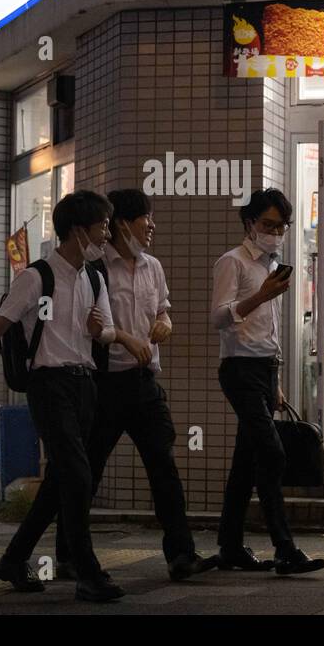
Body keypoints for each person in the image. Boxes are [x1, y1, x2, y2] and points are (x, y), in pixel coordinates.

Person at [0, 190, 124, 602]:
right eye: (103, 226)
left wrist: (98, 332)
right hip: (48, 386)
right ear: (77, 229)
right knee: (77, 474)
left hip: (85, 385)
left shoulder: (94, 276)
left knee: (60, 481)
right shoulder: (37, 277)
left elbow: (106, 330)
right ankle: (88, 571)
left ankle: (14, 559)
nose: (107, 234)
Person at [52, 189, 219, 582]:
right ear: (123, 224)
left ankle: (181, 554)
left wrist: (166, 325)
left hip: (145, 385)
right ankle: (69, 555)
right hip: (104, 385)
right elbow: (87, 325)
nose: (153, 226)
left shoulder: (153, 267)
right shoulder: (95, 269)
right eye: (146, 218)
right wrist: (124, 337)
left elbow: (163, 311)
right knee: (86, 473)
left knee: (164, 468)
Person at [210, 189, 324, 576]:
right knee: (272, 454)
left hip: (263, 369)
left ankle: (230, 546)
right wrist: (260, 295)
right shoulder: (234, 263)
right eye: (268, 225)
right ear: (250, 224)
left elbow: (269, 331)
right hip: (239, 369)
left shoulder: (271, 266)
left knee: (246, 462)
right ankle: (285, 549)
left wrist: (275, 380)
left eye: (281, 226)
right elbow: (219, 318)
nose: (276, 232)